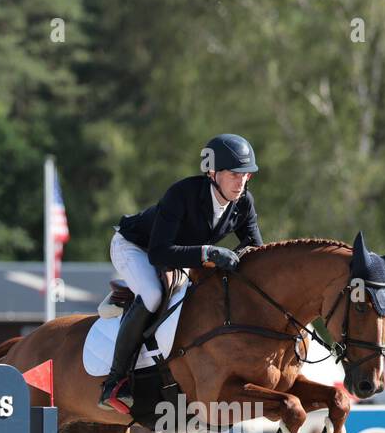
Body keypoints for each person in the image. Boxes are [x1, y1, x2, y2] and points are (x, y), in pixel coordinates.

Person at [99, 133, 265, 413]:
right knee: (152, 295)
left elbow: (255, 246)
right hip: (135, 247)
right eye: (234, 174)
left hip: (177, 254)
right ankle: (115, 382)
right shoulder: (183, 194)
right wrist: (209, 253)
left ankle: (130, 297)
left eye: (246, 175)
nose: (242, 182)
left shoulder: (243, 202)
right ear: (213, 172)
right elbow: (159, 252)